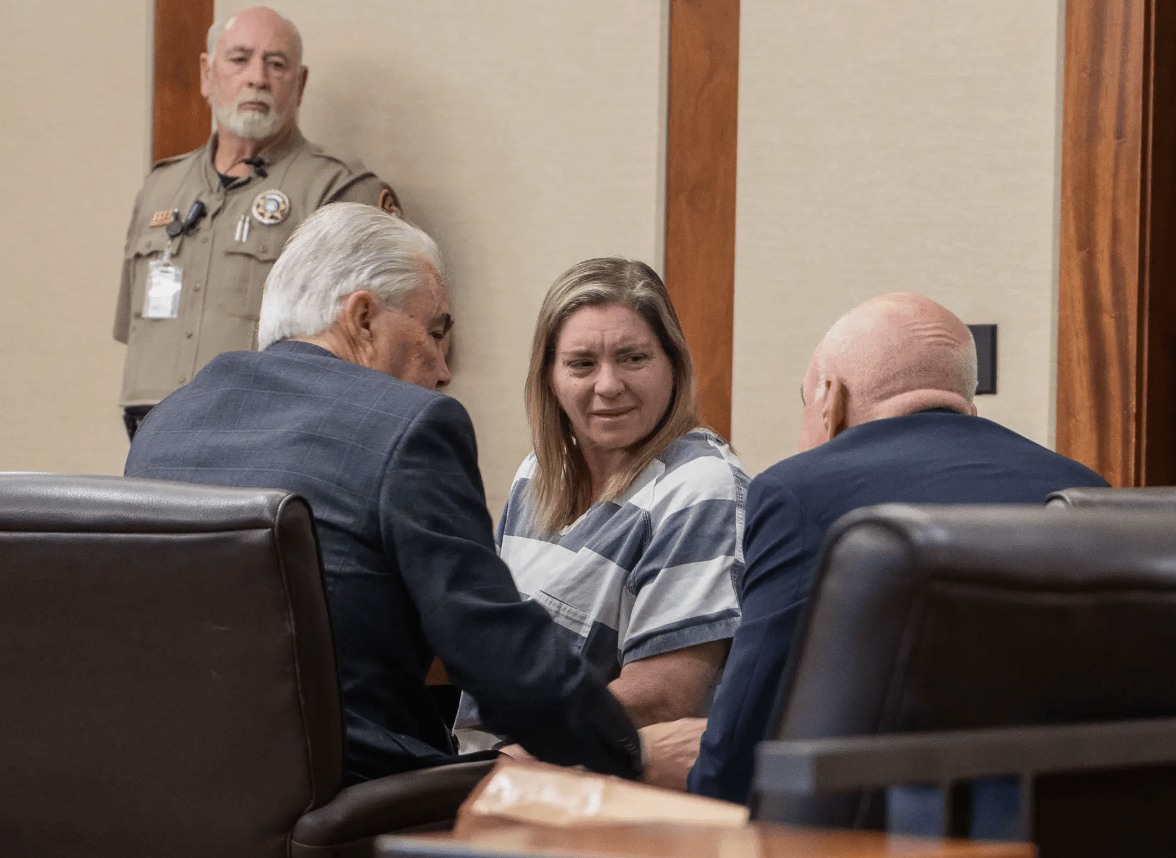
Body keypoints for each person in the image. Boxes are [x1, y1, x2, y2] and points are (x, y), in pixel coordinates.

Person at [125, 203, 701, 786]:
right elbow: (492, 650)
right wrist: (628, 751)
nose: (444, 369)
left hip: (167, 788)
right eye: (434, 331)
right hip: (348, 792)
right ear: (364, 318)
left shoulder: (169, 421)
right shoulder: (411, 425)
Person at [690, 292, 1110, 805]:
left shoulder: (796, 491)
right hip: (1046, 821)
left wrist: (705, 807)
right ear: (968, 406)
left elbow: (752, 706)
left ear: (828, 398)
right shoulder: (1082, 487)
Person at [454, 258, 746, 751]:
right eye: (581, 364)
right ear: (549, 377)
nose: (608, 385)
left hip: (590, 789)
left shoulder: (700, 485)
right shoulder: (539, 472)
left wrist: (515, 760)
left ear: (673, 364)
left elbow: (662, 698)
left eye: (634, 358)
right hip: (490, 773)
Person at [113, 7, 400, 441]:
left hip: (263, 428)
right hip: (151, 429)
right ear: (207, 75)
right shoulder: (161, 186)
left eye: (276, 64)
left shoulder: (339, 189)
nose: (257, 78)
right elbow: (131, 324)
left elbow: (378, 344)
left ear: (299, 85)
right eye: (239, 59)